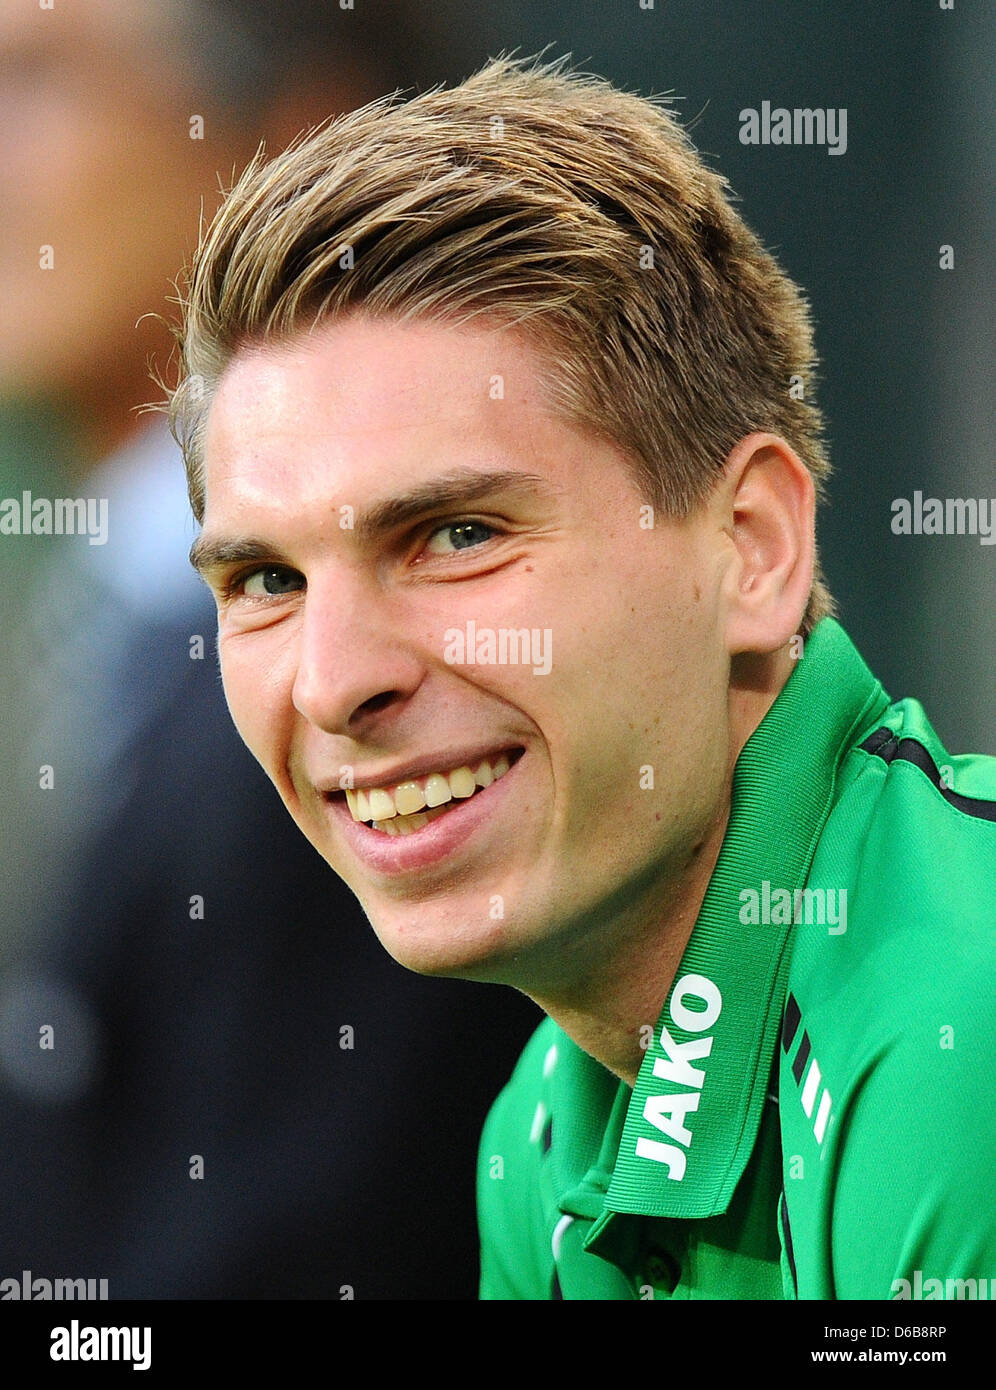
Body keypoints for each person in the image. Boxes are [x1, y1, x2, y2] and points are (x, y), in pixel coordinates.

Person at [160, 53, 996, 1301]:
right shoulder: (544, 1126)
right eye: (267, 581)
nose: (334, 684)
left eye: (454, 536)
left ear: (752, 550)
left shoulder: (955, 1033)